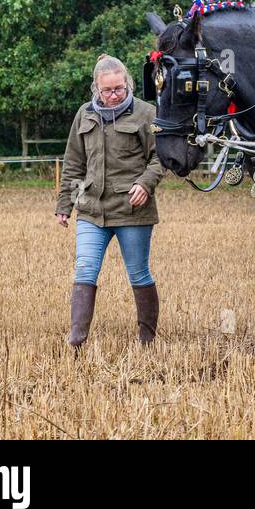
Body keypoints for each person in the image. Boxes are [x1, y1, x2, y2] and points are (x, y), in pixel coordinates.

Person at [55, 54, 166, 346]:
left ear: (127, 83)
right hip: (91, 209)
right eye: (108, 90)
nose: (114, 95)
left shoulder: (146, 113)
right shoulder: (84, 115)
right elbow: (74, 163)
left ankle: (147, 340)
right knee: (85, 269)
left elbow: (160, 158)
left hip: (133, 210)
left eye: (119, 88)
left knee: (139, 273)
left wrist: (145, 183)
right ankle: (76, 340)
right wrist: (65, 204)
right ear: (96, 88)